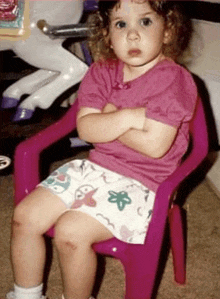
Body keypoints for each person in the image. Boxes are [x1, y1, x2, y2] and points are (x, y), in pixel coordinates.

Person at [7, 1, 198, 299]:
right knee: (24, 215)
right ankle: (26, 294)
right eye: (121, 24)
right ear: (108, 35)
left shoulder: (174, 80)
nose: (132, 35)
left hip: (145, 184)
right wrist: (130, 116)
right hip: (95, 169)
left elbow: (155, 146)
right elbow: (87, 130)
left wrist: (108, 116)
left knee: (71, 233)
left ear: (169, 30)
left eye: (145, 22)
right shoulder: (102, 71)